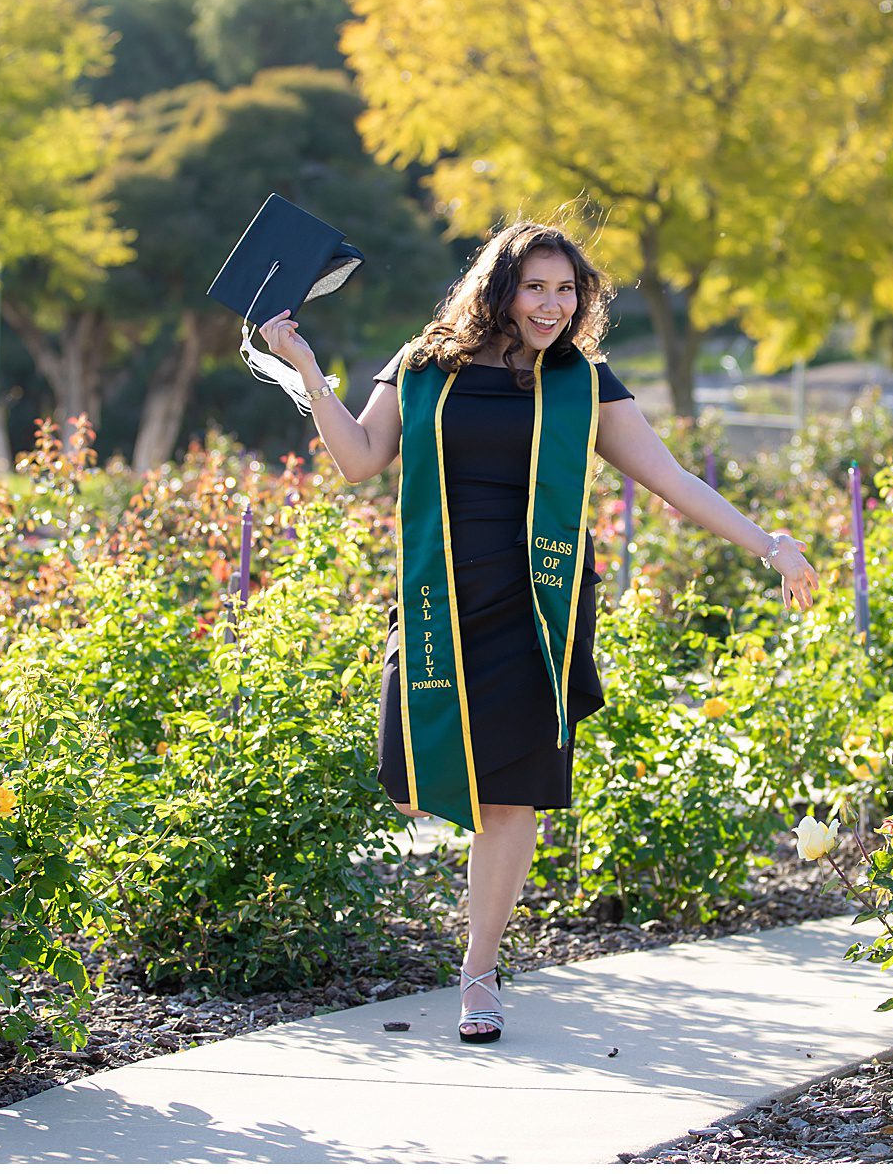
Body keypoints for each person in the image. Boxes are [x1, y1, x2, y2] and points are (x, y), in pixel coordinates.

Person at [257, 219, 820, 1044]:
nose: (553, 306)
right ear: (498, 288)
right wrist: (306, 371)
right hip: (438, 595)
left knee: (510, 794)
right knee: (412, 778)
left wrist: (768, 544)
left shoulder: (582, 382)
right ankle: (476, 937)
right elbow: (360, 457)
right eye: (536, 288)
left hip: (537, 606)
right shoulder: (423, 366)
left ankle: (478, 973)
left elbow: (667, 477)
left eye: (567, 290)